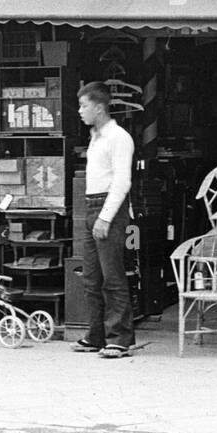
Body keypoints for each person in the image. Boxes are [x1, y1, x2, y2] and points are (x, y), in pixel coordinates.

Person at [73, 81, 136, 359]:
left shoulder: (119, 137)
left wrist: (105, 218)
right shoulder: (96, 136)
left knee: (112, 276)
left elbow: (122, 182)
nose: (80, 111)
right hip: (90, 204)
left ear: (99, 107)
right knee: (91, 277)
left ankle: (119, 338)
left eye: (84, 105)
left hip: (108, 206)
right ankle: (96, 334)